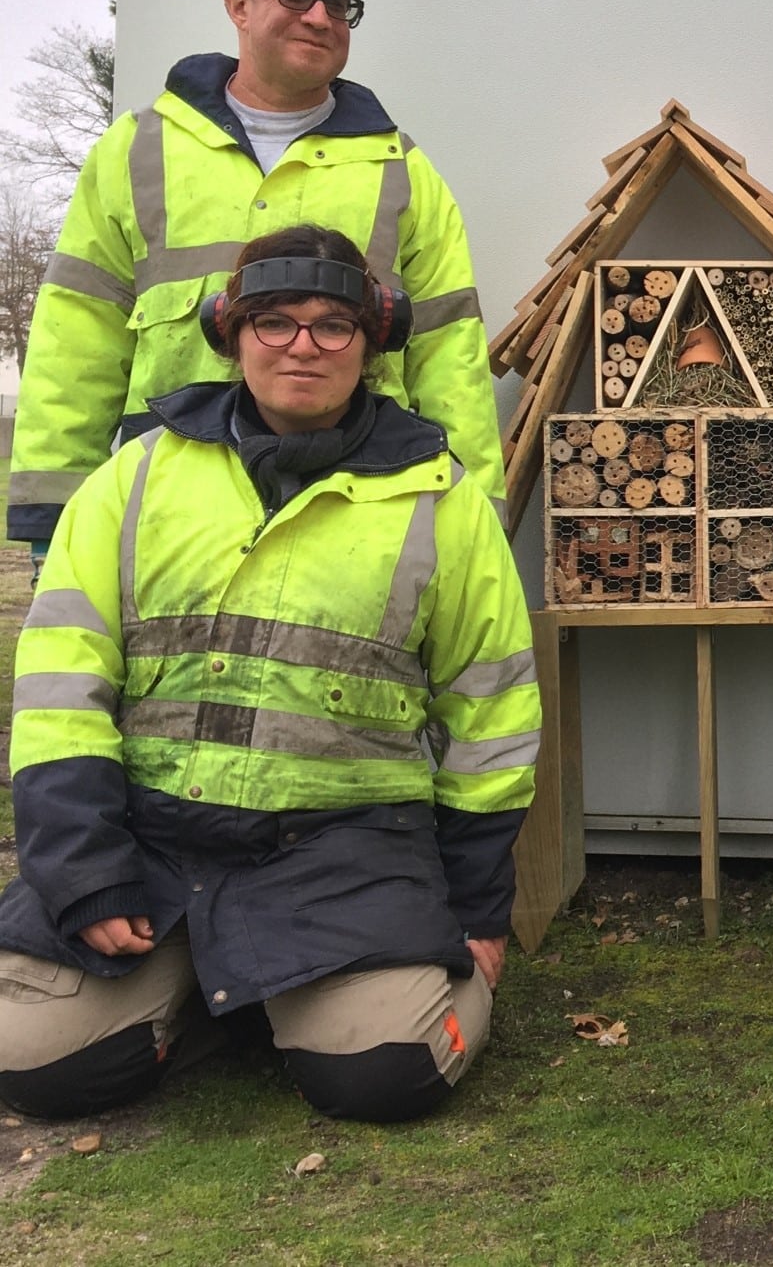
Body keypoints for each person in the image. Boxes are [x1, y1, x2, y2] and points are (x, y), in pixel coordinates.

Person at [0, 225, 541, 1123]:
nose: (302, 344)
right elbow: (61, 686)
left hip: (345, 850)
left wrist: (477, 913)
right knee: (37, 1071)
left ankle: (306, 994)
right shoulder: (134, 479)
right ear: (230, 331)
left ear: (372, 344)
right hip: (154, 842)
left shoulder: (442, 500)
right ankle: (226, 998)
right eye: (274, 320)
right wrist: (85, 868)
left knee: (386, 1077)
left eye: (334, 324)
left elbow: (491, 714)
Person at [8, 0, 505, 570]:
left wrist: (473, 511)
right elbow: (77, 337)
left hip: (355, 510)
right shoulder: (136, 151)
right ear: (237, 5)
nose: (320, 17)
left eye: (339, 5)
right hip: (165, 505)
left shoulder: (400, 172)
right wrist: (54, 516)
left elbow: (450, 356)